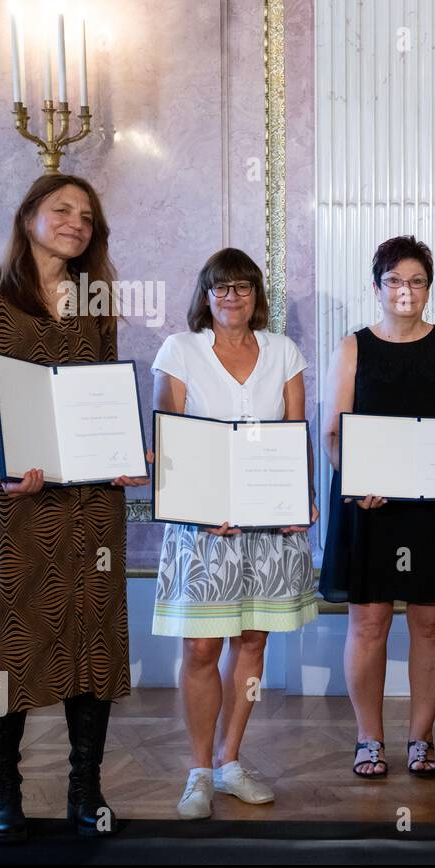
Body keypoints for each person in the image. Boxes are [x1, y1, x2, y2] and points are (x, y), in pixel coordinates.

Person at [0, 173, 148, 843]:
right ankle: (0, 787)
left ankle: (84, 786)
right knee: (13, 649)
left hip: (94, 507)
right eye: (62, 209)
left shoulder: (98, 300)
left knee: (91, 645)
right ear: (28, 214)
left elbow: (104, 391)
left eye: (88, 216)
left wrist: (127, 452)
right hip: (21, 507)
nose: (76, 222)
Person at [151, 248, 318, 820]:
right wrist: (197, 505)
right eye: (220, 288)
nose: (231, 298)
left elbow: (298, 433)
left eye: (243, 287)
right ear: (205, 295)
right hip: (202, 525)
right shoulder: (180, 349)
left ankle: (230, 761)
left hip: (270, 523)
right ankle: (198, 772)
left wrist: (305, 500)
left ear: (256, 296)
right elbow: (168, 437)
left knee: (253, 641)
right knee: (201, 646)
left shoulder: (284, 352)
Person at [319, 235, 435, 778]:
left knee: (432, 622)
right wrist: (355, 477)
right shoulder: (352, 348)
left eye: (416, 281)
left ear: (428, 289)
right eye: (394, 280)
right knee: (367, 622)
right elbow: (331, 432)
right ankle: (369, 739)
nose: (406, 291)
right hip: (369, 504)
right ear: (376, 287)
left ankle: (421, 738)